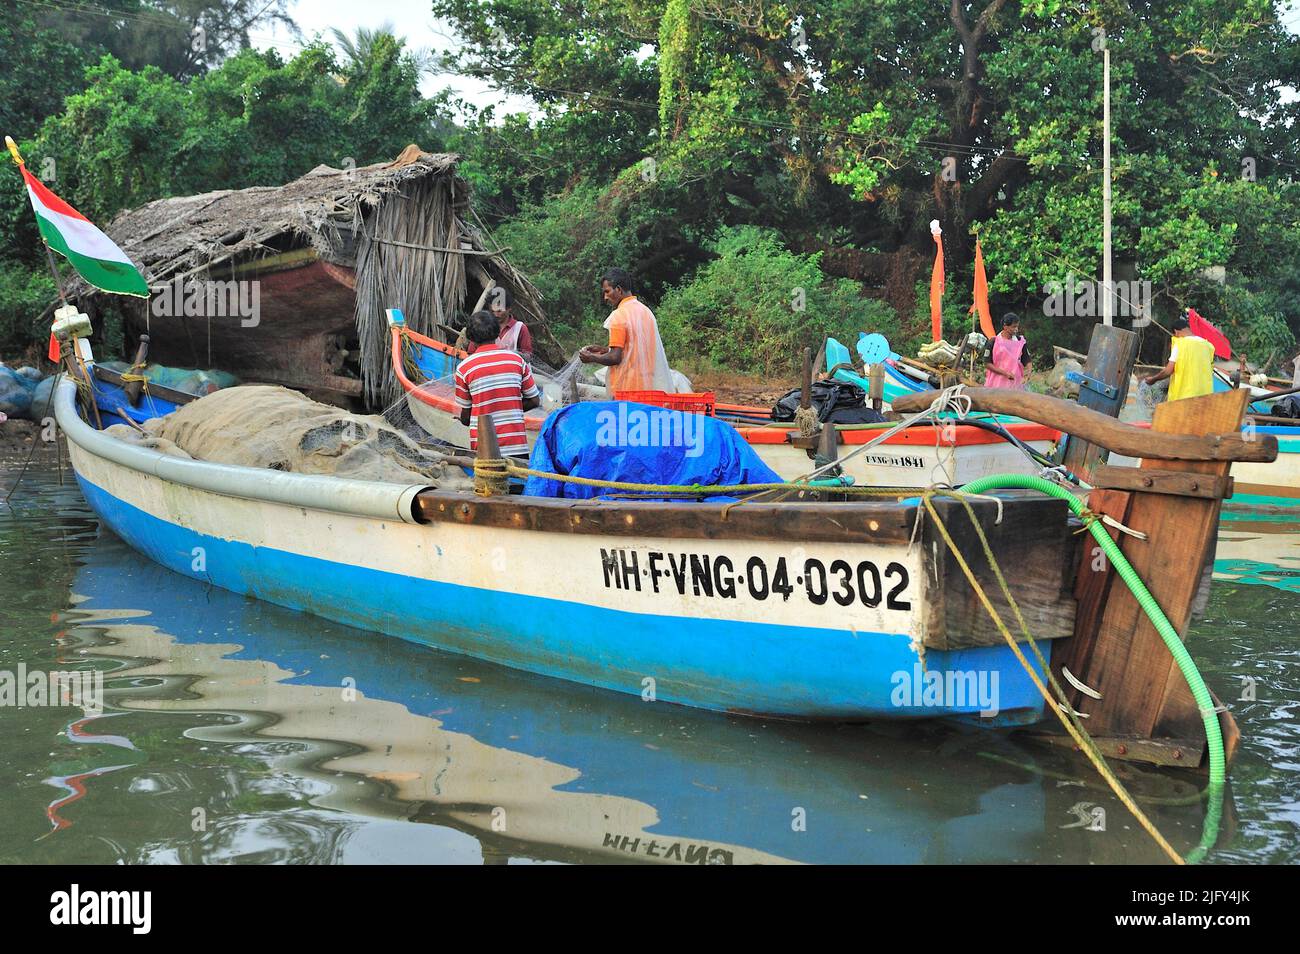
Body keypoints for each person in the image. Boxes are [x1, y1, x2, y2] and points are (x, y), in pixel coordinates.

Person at [454, 309, 541, 459]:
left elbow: (467, 416)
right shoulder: (516, 360)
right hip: (516, 445)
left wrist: (463, 419)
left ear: (471, 337)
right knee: (517, 481)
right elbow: (534, 400)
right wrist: (510, 407)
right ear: (496, 332)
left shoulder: (464, 368)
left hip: (484, 448)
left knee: (486, 483)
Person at [579, 267, 674, 397]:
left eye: (607, 291)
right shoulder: (646, 312)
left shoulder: (619, 315)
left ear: (618, 289)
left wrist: (591, 357)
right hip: (647, 388)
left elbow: (615, 357)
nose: (605, 297)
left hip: (625, 389)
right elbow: (634, 351)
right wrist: (604, 350)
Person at [1144, 315, 1214, 401]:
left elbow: (1168, 371)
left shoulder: (1180, 344)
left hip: (1184, 397)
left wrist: (1153, 379)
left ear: (1176, 332)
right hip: (1205, 396)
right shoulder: (1208, 346)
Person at [983, 313, 1031, 389]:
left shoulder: (1019, 341)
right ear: (1005, 326)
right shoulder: (994, 342)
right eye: (1013, 327)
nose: (1016, 329)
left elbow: (1027, 359)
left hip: (1015, 381)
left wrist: (1028, 373)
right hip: (997, 381)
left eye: (1017, 326)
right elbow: (987, 363)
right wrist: (1005, 373)